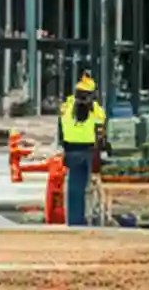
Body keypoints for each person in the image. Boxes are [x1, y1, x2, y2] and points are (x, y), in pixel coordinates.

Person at [58, 75, 104, 226]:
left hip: (71, 151)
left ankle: (74, 220)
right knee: (90, 188)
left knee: (74, 188)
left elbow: (61, 129)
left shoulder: (66, 107)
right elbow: (101, 133)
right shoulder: (96, 111)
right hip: (89, 151)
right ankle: (90, 218)